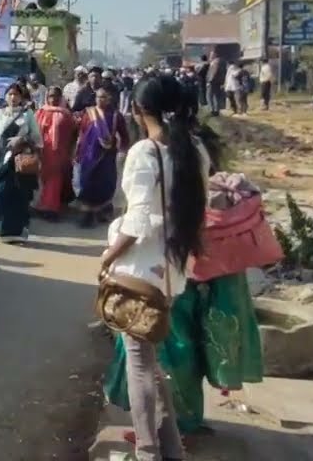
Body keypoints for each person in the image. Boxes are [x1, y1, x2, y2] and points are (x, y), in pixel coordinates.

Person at [99, 74, 209, 461]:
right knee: (151, 358)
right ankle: (172, 448)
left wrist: (108, 256)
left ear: (139, 109)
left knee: (140, 362)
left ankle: (147, 451)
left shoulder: (144, 152)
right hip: (174, 267)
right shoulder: (194, 149)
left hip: (140, 267)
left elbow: (138, 218)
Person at [0, 82, 42, 243]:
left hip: (20, 161)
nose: (13, 97)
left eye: (16, 94)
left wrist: (22, 139)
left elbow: (38, 139)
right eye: (10, 94)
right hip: (2, 159)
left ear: (21, 97)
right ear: (6, 96)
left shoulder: (27, 114)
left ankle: (18, 231)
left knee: (19, 196)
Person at [75, 86, 131, 228]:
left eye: (104, 97)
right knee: (87, 183)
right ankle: (86, 215)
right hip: (88, 156)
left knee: (105, 184)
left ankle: (101, 212)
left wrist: (123, 151)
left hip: (106, 156)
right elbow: (81, 134)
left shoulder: (115, 116)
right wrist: (77, 151)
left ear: (109, 99)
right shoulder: (88, 113)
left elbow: (124, 136)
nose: (101, 100)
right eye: (99, 97)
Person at [32, 85, 75, 221]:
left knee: (55, 179)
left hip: (59, 153)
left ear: (61, 97)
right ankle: (41, 206)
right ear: (46, 97)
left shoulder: (66, 115)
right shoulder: (40, 112)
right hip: (42, 151)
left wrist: (71, 151)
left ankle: (51, 209)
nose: (53, 99)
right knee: (42, 179)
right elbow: (33, 132)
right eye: (50, 96)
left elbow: (73, 133)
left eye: (56, 95)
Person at [206, 49, 226, 116]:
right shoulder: (222, 61)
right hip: (219, 81)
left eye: (211, 55)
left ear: (214, 55)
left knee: (209, 95)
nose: (210, 56)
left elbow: (214, 72)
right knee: (216, 96)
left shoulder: (215, 62)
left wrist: (209, 81)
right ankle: (217, 110)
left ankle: (212, 110)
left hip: (212, 82)